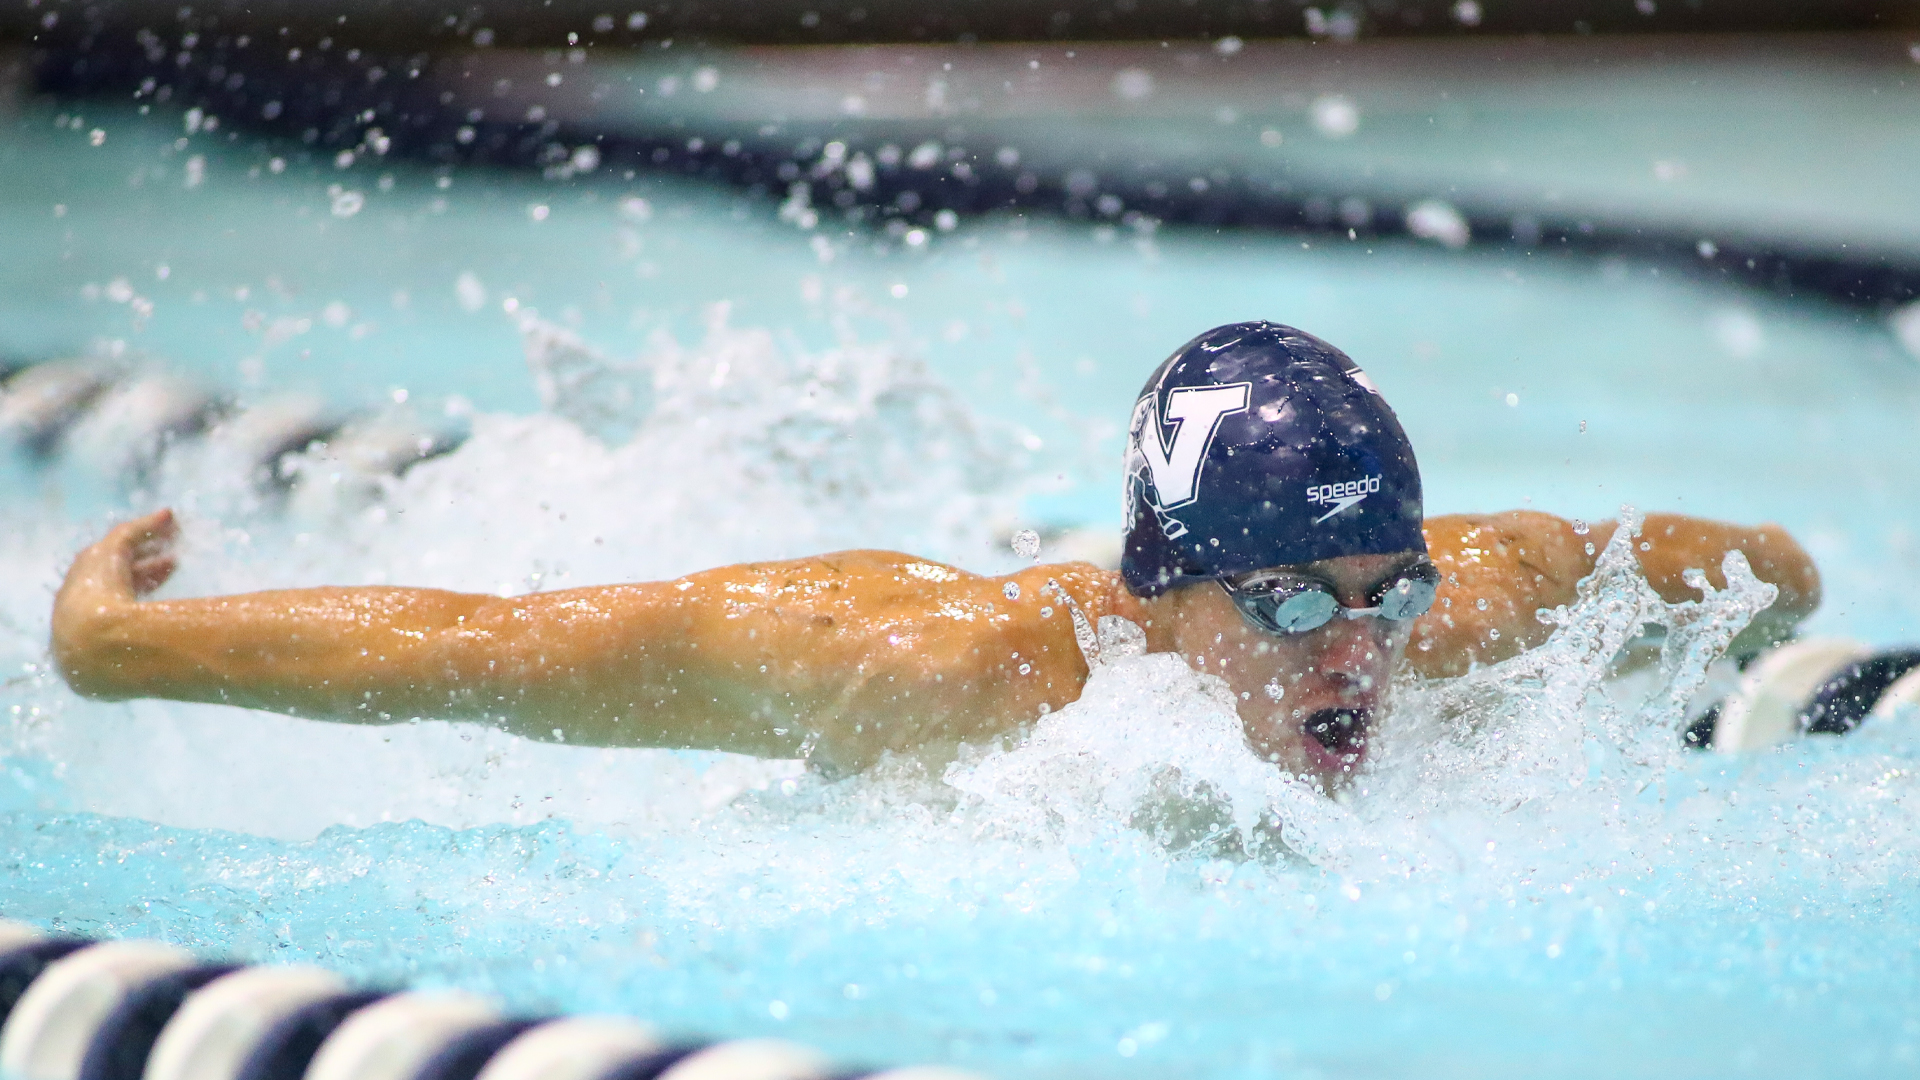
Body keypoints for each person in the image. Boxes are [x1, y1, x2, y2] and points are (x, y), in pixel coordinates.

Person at [48, 323, 1821, 786]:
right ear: (1166, 593)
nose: (1354, 646)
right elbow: (481, 644)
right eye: (1286, 602)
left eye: (1383, 593)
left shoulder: (1472, 607)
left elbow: (1755, 570)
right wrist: (121, 649)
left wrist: (1787, 608)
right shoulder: (941, 670)